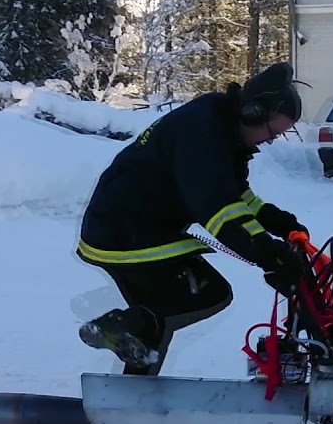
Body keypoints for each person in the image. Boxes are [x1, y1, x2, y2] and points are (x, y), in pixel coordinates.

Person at [75, 63, 312, 375]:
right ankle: (124, 327)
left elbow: (235, 195)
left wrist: (278, 222)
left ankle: (127, 405)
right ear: (253, 112)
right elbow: (219, 209)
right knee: (211, 293)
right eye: (271, 132)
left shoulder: (222, 129)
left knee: (149, 332)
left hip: (122, 230)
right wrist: (269, 254)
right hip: (126, 233)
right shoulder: (203, 133)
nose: (268, 142)